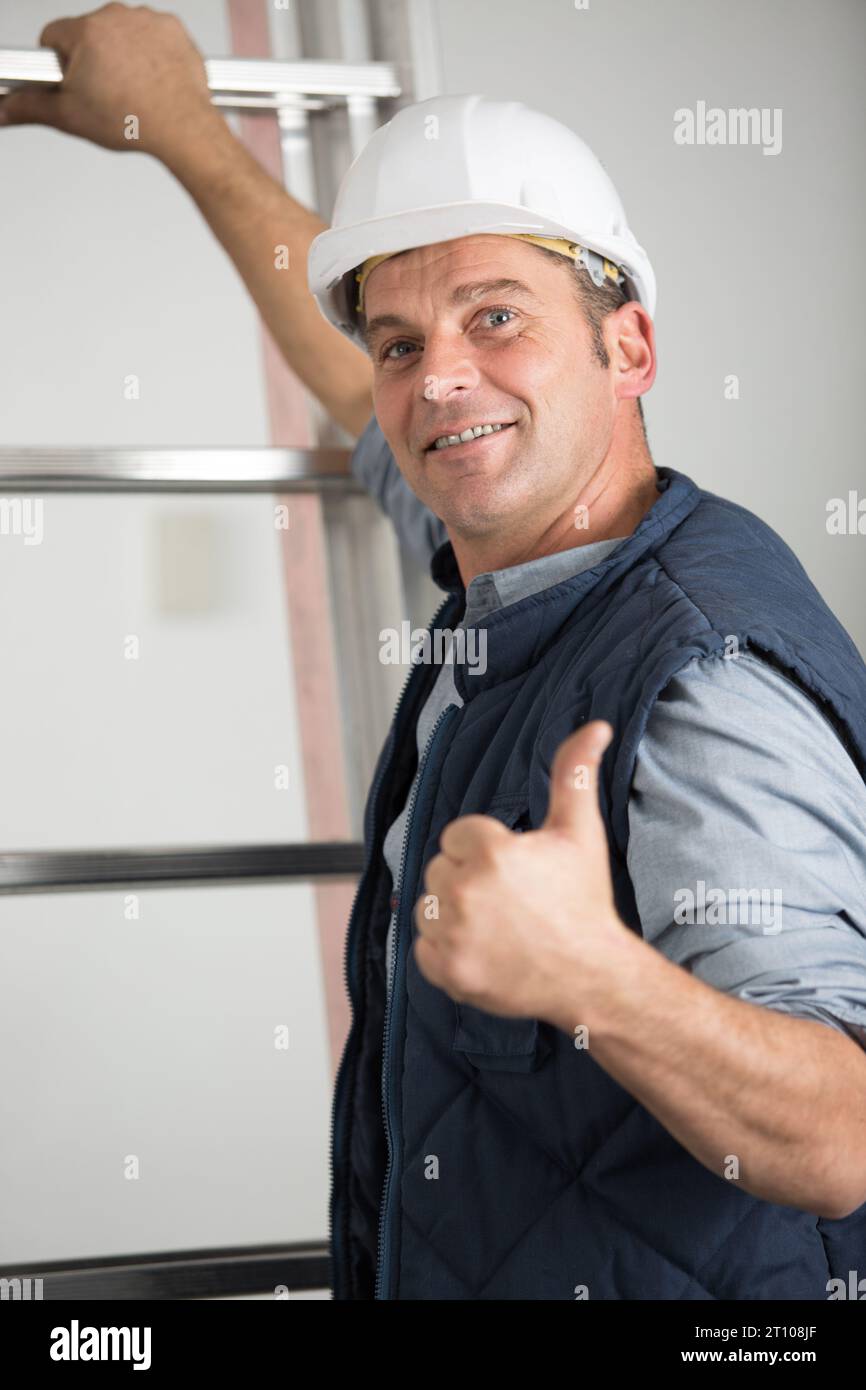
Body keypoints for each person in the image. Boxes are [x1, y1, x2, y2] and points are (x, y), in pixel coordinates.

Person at [4, 5, 866, 1303]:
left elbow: (842, 1132)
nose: (437, 380)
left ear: (624, 346)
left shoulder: (702, 679)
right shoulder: (516, 555)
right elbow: (359, 394)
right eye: (403, 340)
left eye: (495, 318)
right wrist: (178, 129)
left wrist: (593, 978)